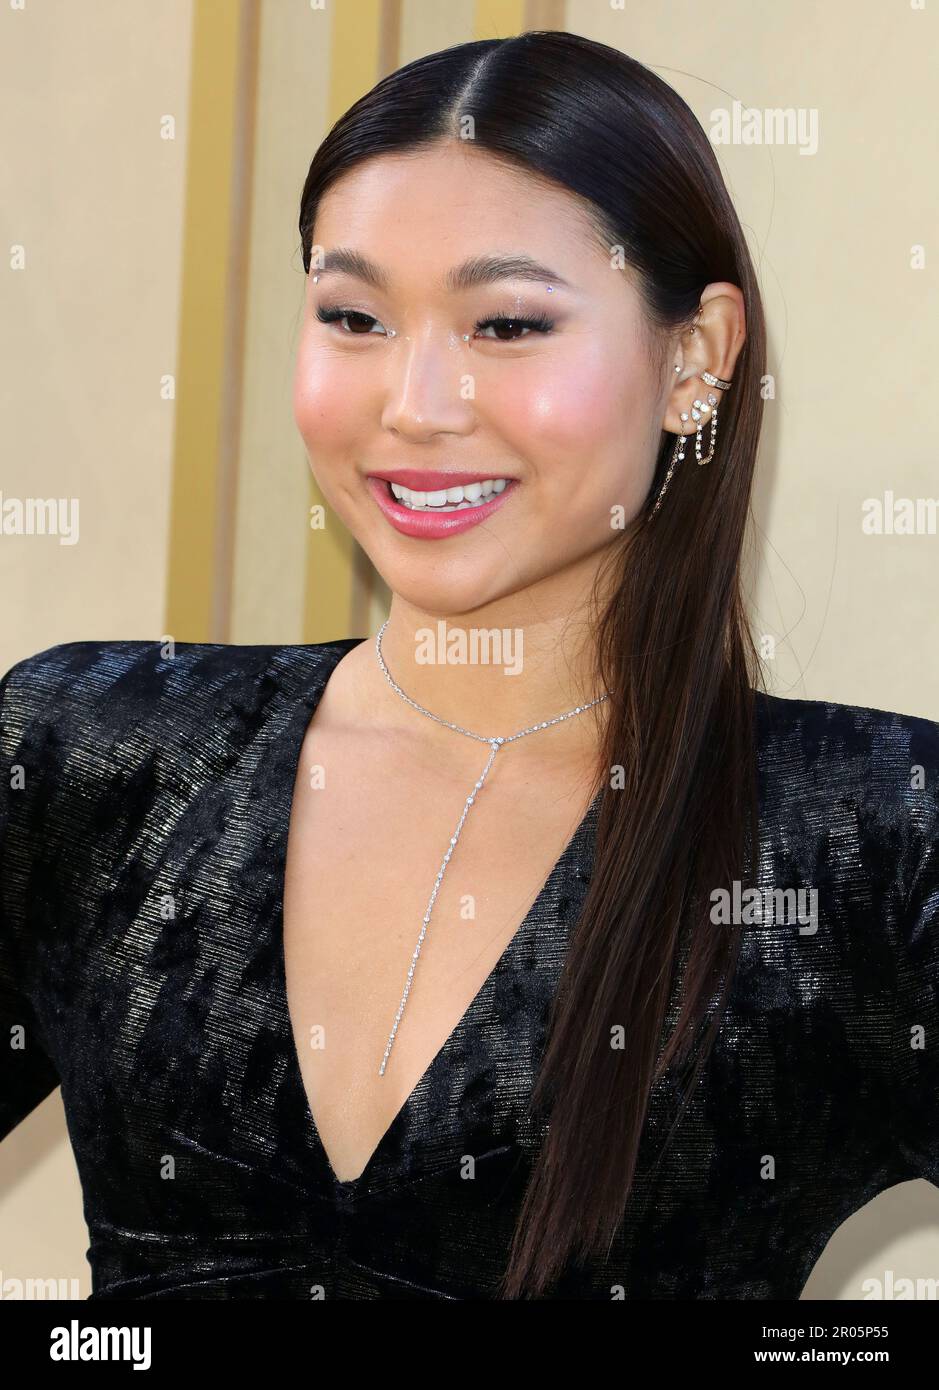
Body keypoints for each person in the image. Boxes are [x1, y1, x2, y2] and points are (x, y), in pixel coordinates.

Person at [1, 30, 936, 1301]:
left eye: (505, 323)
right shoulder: (88, 745)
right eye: (353, 317)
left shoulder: (870, 835)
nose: (415, 402)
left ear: (694, 362)